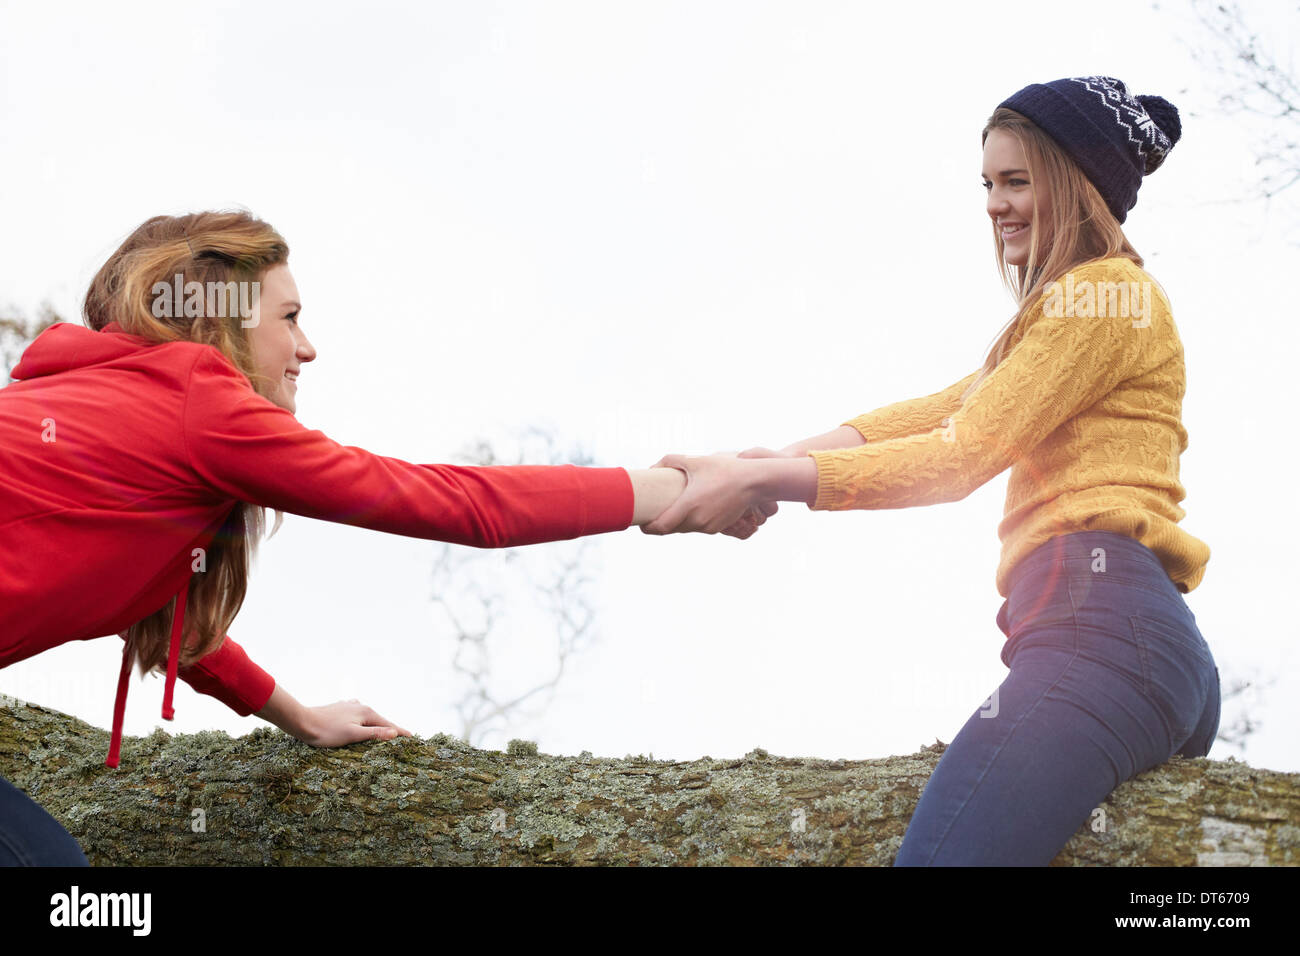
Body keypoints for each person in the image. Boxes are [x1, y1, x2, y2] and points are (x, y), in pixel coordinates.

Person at [644, 76, 1221, 866]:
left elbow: (959, 455)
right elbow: (940, 410)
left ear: (1077, 184)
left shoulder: (1108, 295)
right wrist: (766, 461)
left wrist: (759, 485)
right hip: (1133, 638)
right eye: (988, 183)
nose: (994, 203)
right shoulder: (1069, 319)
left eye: (1017, 180)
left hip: (1104, 635)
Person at [0, 210, 687, 865]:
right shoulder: (195, 404)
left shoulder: (117, 406)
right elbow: (460, 505)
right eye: (289, 318)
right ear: (220, 319)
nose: (307, 347)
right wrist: (661, 492)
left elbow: (159, 620)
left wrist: (296, 716)